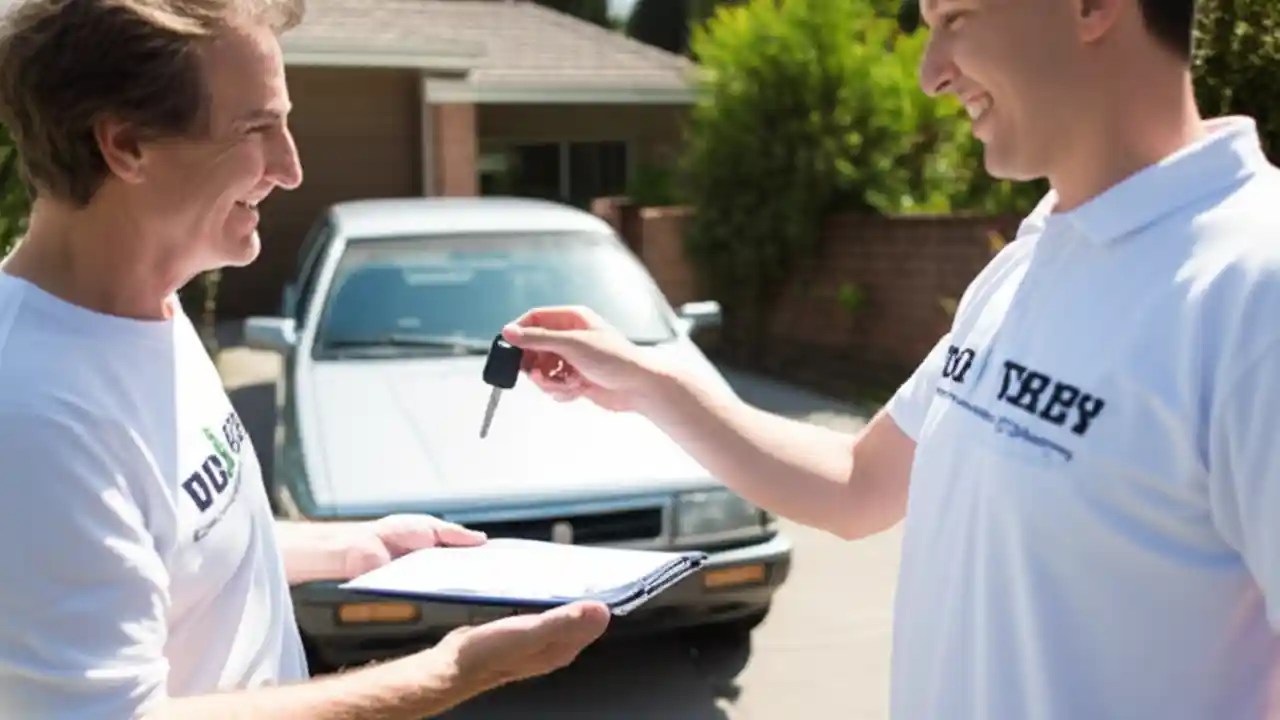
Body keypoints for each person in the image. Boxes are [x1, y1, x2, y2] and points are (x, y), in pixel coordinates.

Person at [502, 0, 1280, 718]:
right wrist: (645, 380)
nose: (931, 73)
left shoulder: (1255, 285)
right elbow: (858, 483)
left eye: (956, 18)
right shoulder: (1036, 254)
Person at [0, 0, 610, 717]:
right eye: (257, 128)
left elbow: (171, 548)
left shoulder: (149, 310)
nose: (290, 169)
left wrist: (360, 548)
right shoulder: (31, 414)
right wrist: (448, 673)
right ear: (126, 145)